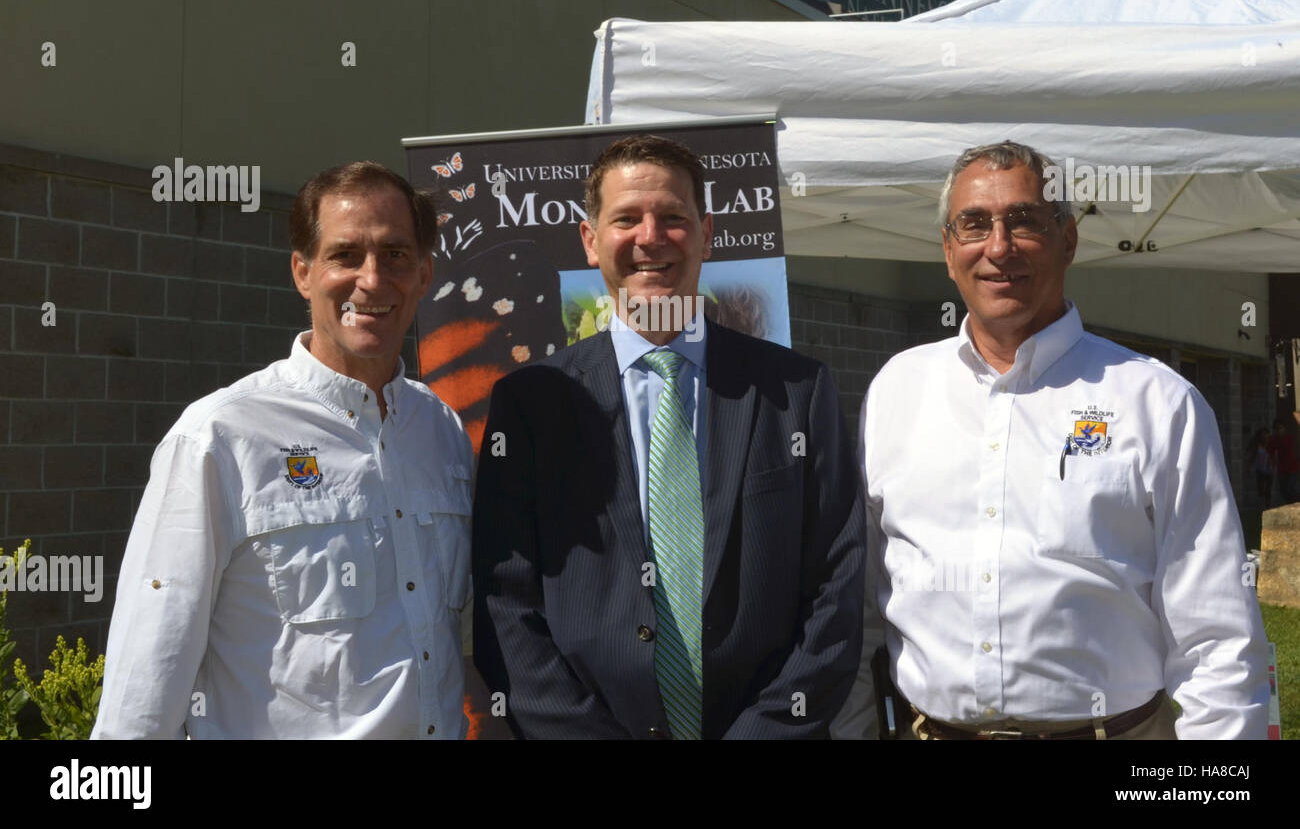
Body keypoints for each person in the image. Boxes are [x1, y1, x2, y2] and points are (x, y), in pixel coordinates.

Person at [841, 140, 1268, 740]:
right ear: (947, 249)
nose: (998, 247)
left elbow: (1217, 637)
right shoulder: (896, 391)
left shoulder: (1156, 402)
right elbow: (857, 611)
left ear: (1068, 240)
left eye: (1024, 221)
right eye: (974, 225)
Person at [472, 134, 864, 739]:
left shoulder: (797, 392)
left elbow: (836, 589)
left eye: (673, 218)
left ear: (706, 234)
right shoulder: (530, 404)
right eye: (626, 218)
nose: (650, 238)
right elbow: (506, 604)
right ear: (589, 239)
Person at [92, 161, 473, 739]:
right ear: (303, 272)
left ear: (424, 274)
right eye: (346, 255)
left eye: (395, 254)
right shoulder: (220, 436)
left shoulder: (439, 428)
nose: (372, 280)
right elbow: (148, 672)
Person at [1268, 416, 1300, 504]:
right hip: (1282, 469)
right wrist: (1271, 462)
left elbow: (1294, 450)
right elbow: (1270, 452)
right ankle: (1291, 504)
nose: (1279, 431)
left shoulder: (1289, 438)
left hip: (1292, 467)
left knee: (1291, 487)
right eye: (1277, 429)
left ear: (1284, 429)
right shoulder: (1273, 440)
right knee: (1283, 490)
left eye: (1281, 428)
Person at [1251, 428, 1274, 506]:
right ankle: (1261, 505)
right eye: (1263, 435)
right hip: (1260, 470)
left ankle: (1267, 505)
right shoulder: (1257, 445)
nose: (1265, 437)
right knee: (1261, 488)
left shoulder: (1271, 445)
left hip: (1269, 470)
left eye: (1266, 435)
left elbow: (1275, 456)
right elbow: (1253, 456)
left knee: (1268, 489)